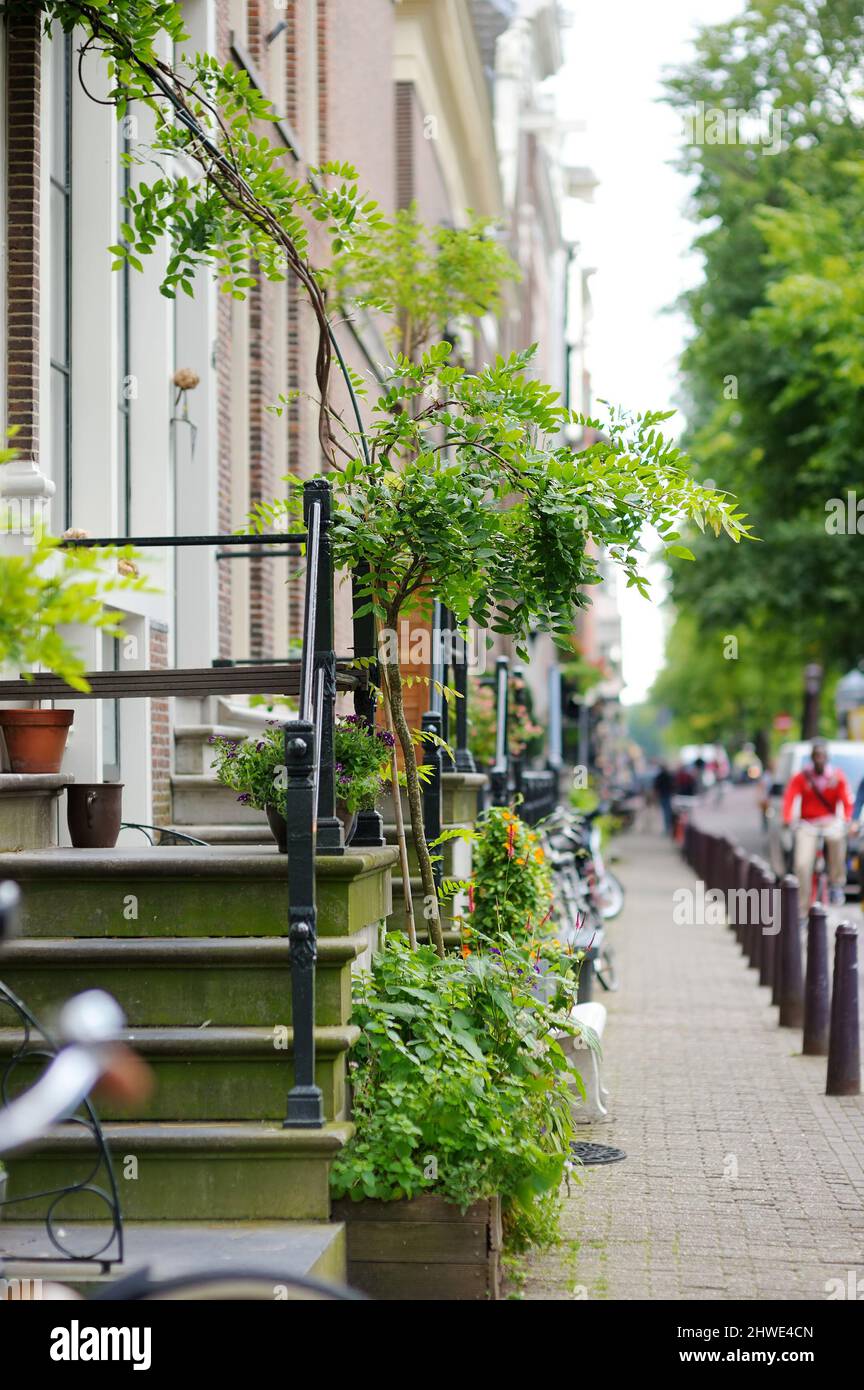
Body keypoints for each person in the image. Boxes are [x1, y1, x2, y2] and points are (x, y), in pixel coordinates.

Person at [782, 739, 852, 906]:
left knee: (837, 838)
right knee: (803, 863)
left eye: (822, 755)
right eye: (816, 755)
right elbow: (789, 797)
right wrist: (787, 818)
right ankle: (802, 905)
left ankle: (836, 883)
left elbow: (847, 802)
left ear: (828, 757)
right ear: (812, 758)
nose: (819, 759)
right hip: (808, 824)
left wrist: (848, 820)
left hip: (829, 822)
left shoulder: (837, 777)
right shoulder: (801, 777)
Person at [653, 762, 675, 836]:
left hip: (663, 795)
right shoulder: (669, 776)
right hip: (667, 795)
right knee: (667, 812)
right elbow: (673, 785)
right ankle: (668, 828)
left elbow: (656, 787)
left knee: (665, 812)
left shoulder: (659, 776)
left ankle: (667, 829)